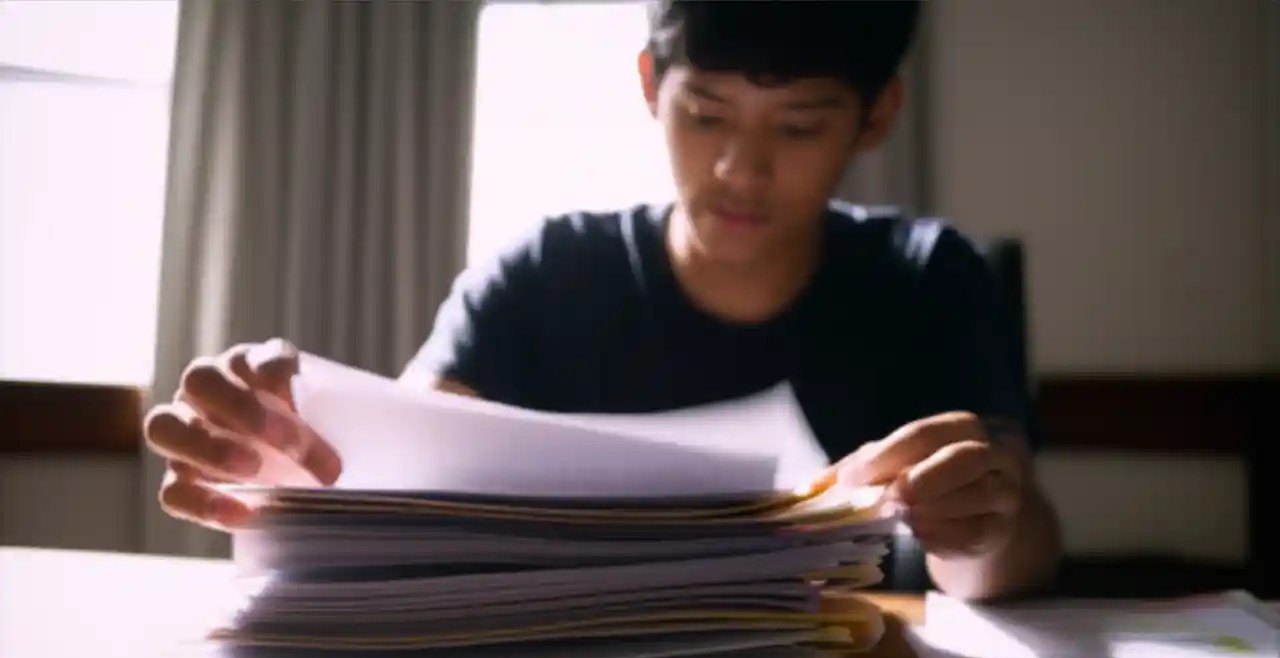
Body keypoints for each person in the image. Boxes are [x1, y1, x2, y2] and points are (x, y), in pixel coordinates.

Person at [142, 0, 1061, 601]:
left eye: (799, 126)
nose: (741, 169)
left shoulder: (931, 278)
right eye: (706, 114)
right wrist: (311, 467)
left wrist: (981, 530)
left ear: (877, 116)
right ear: (651, 85)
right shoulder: (544, 273)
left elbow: (1015, 559)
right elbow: (403, 467)